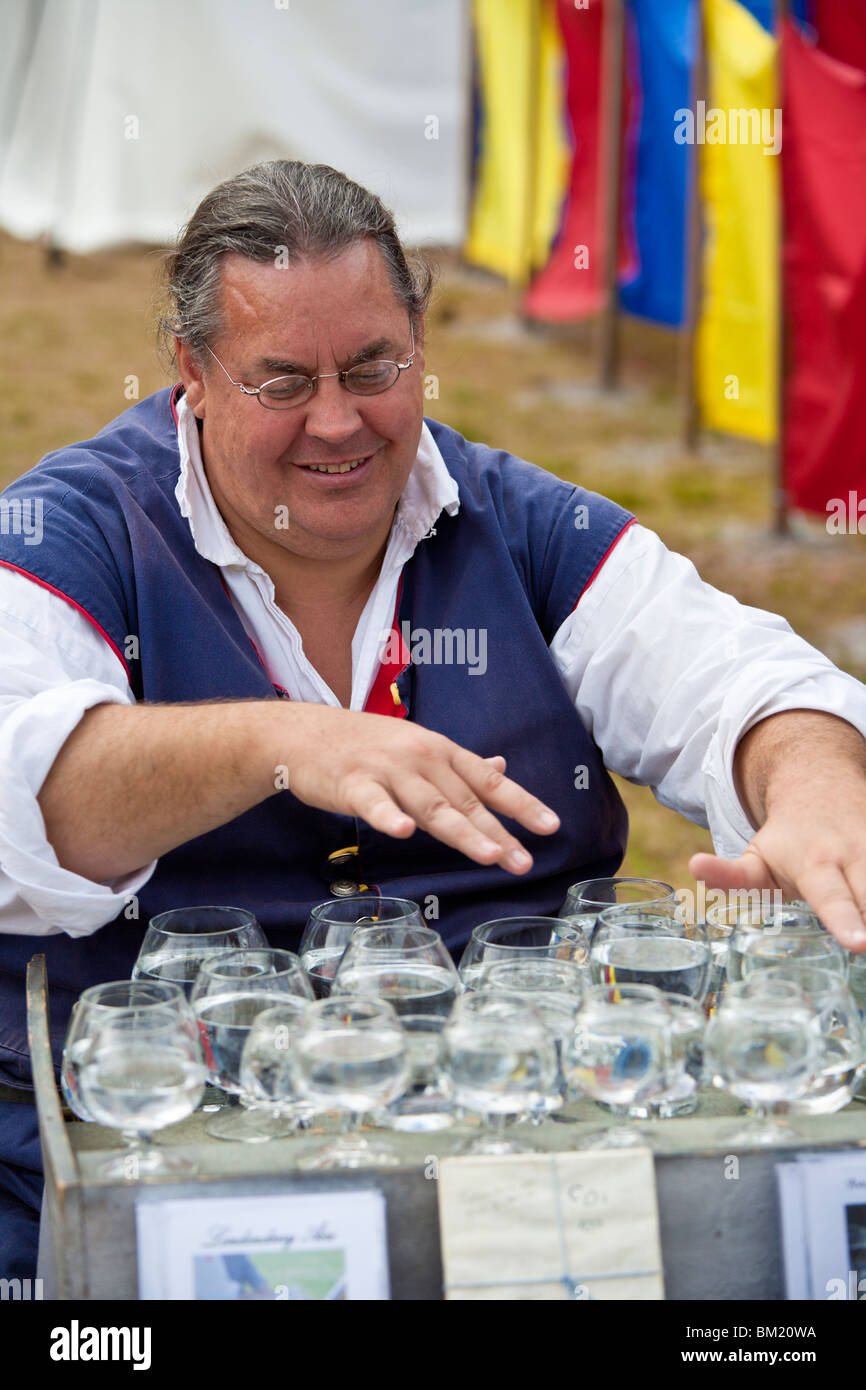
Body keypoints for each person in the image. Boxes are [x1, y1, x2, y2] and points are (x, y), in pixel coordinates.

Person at [1, 160, 865, 1279]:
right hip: (155, 1186)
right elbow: (25, 794)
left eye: (374, 368)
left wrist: (814, 788)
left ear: (420, 345)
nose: (336, 421)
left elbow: (738, 675)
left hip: (514, 1177)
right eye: (280, 381)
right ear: (191, 373)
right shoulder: (73, 531)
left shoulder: (518, 521)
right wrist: (283, 740)